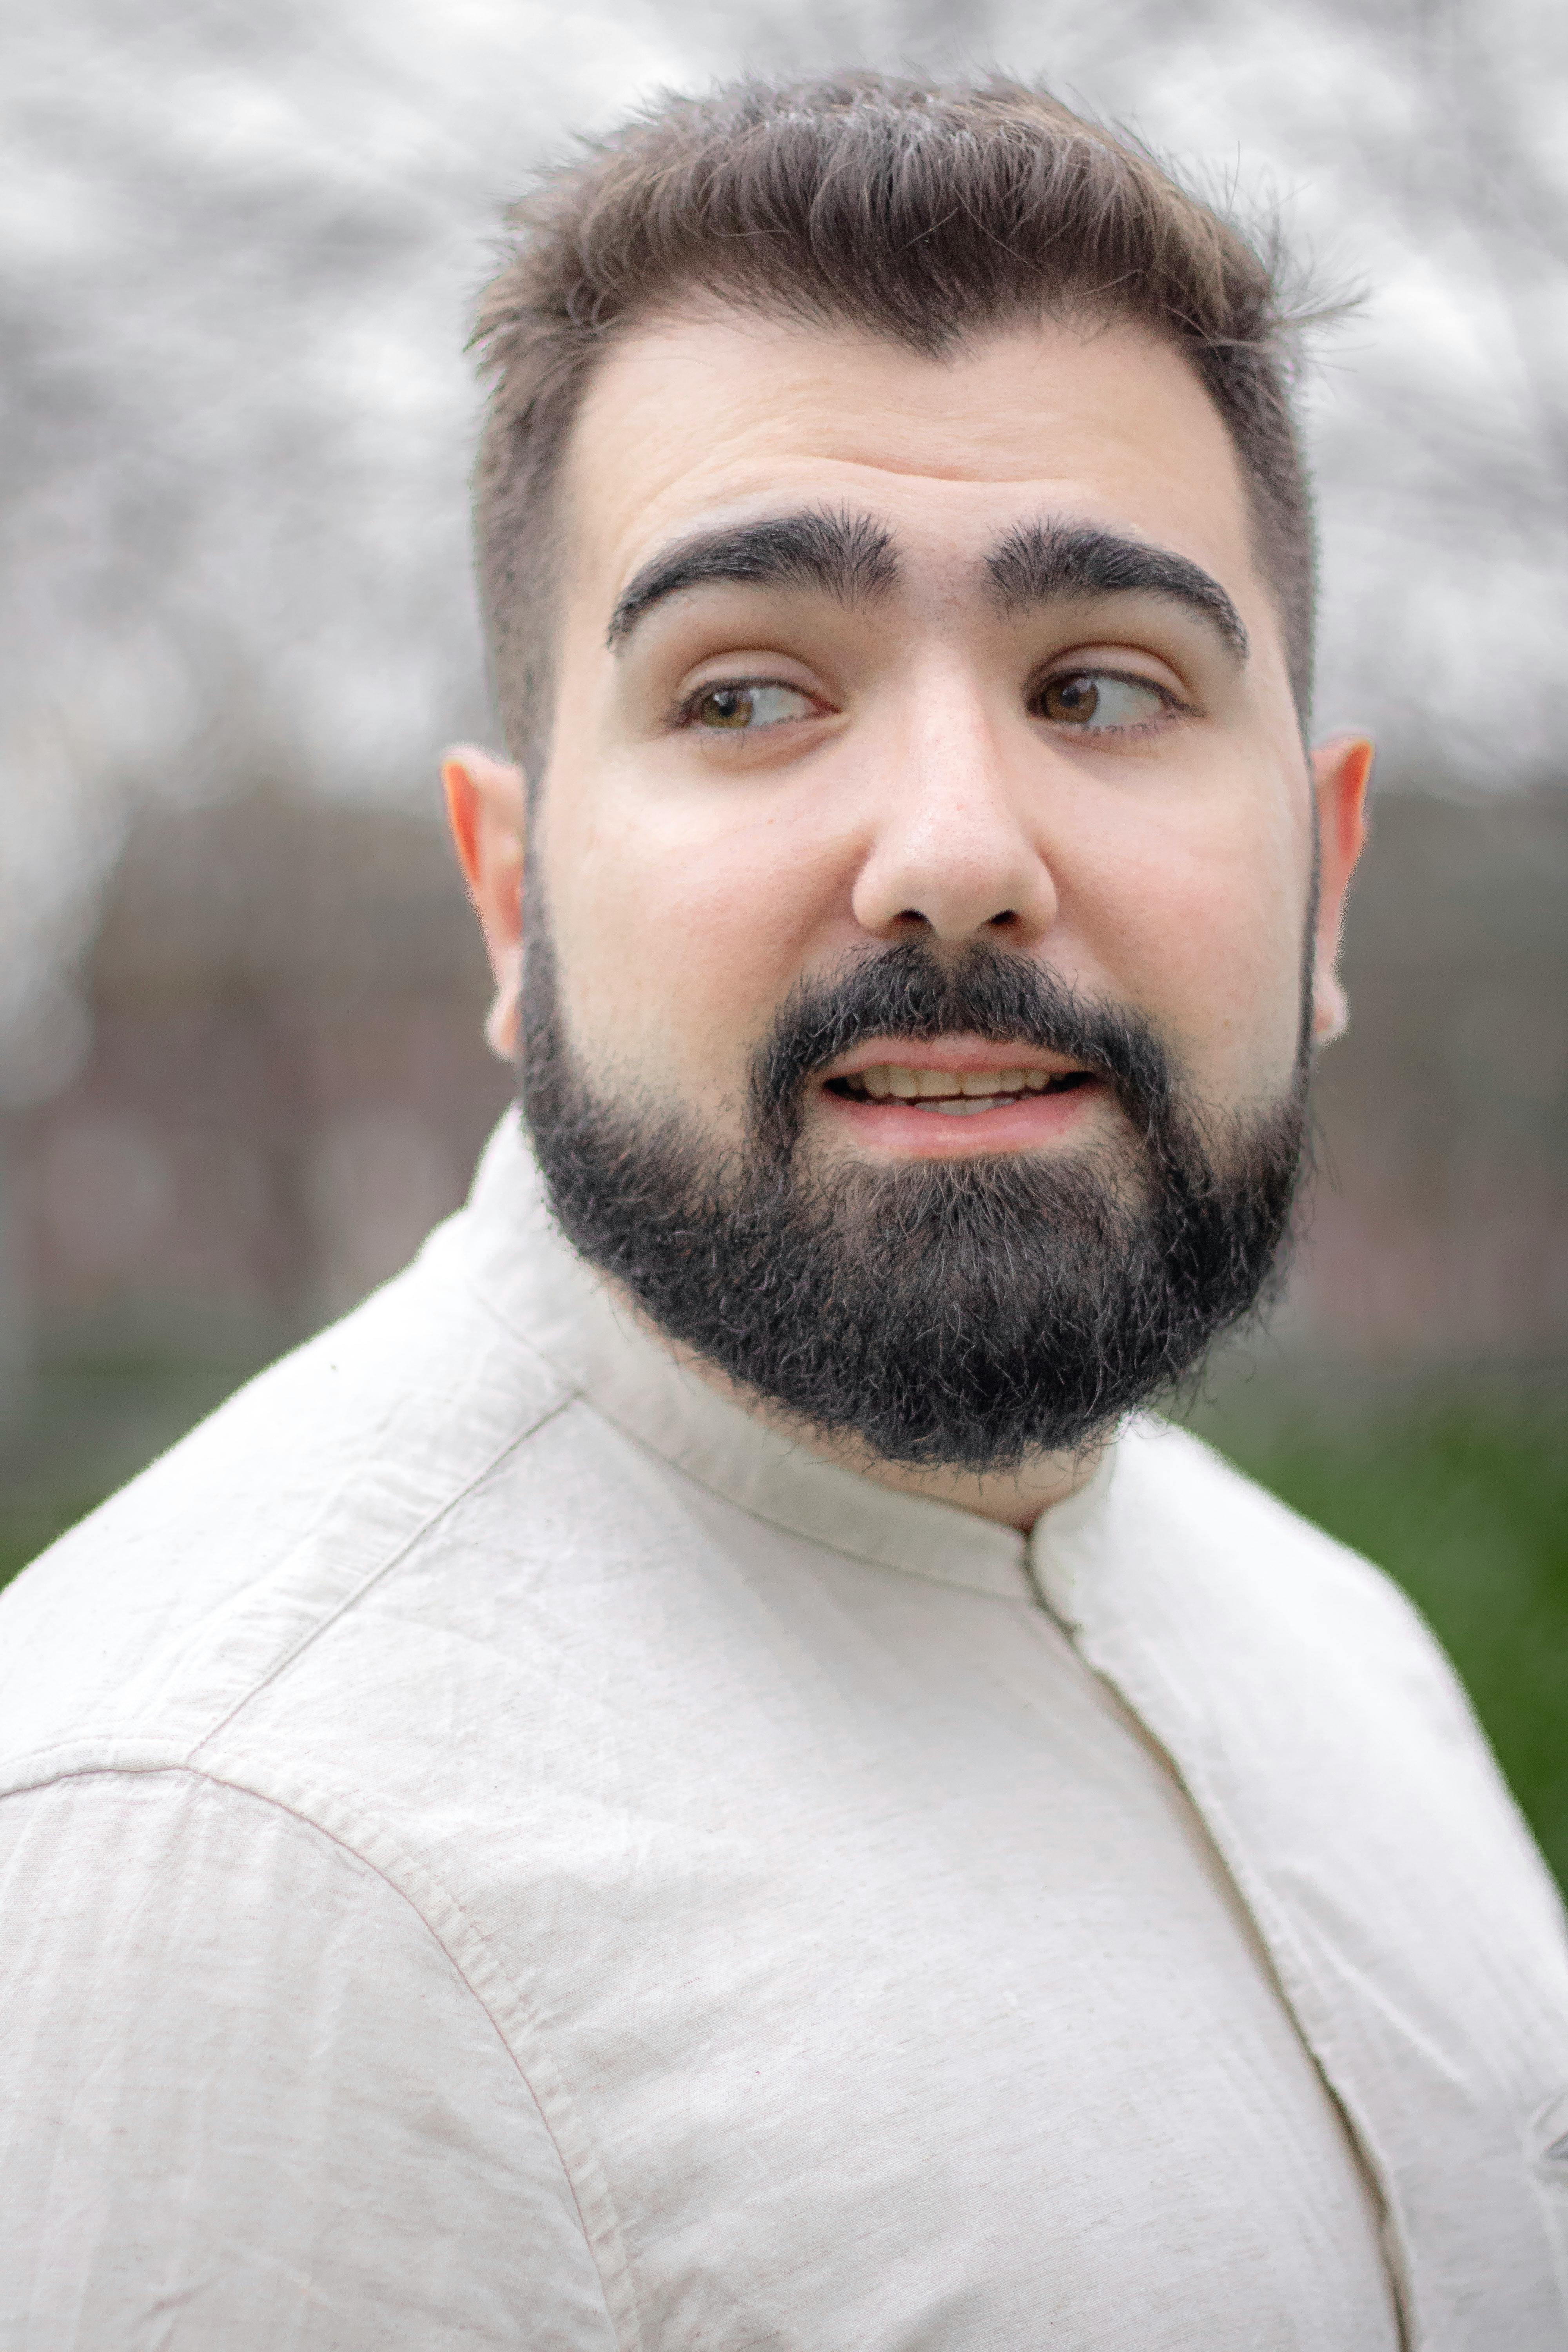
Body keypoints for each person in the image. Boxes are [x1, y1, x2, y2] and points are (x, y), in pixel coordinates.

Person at [1, 73, 1563, 2352]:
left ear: (1324, 877)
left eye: (1103, 685)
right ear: (512, 898)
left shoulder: (1342, 1645)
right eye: (746, 692)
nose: (957, 849)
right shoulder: (229, 1876)